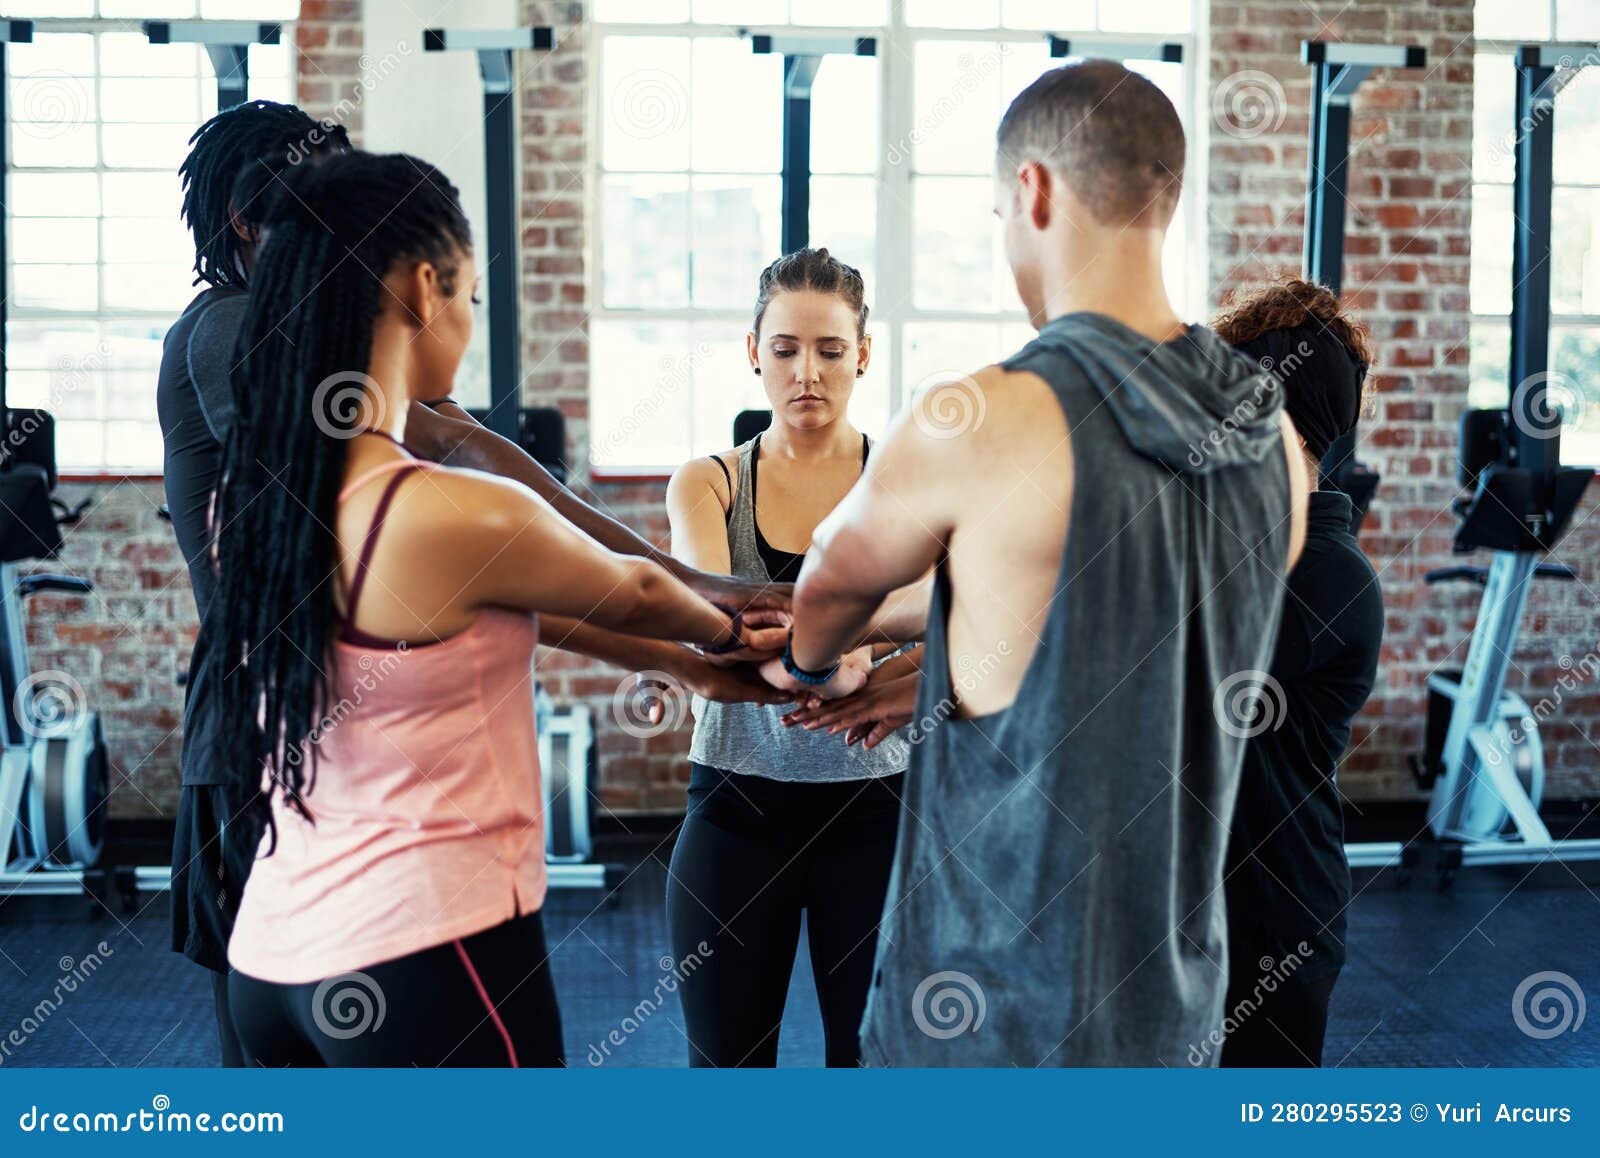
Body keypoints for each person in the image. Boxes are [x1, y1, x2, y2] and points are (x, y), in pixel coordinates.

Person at [157, 105, 786, 1065]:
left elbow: (488, 584)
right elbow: (615, 591)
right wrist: (727, 626)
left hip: (278, 958)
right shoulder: (423, 501)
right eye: (471, 299)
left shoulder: (268, 492)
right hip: (420, 943)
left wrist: (692, 651)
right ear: (416, 286)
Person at [779, 60, 1309, 1065]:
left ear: (1032, 192)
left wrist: (820, 667)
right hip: (1173, 1016)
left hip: (985, 1021)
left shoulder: (977, 415)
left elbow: (827, 586)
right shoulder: (1273, 440)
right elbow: (1121, 623)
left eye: (996, 216)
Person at [662, 248, 916, 1067]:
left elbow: (953, 615)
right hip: (739, 812)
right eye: (785, 349)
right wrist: (851, 649)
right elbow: (723, 630)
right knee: (728, 1079)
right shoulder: (707, 485)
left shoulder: (908, 480)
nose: (807, 372)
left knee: (873, 1072)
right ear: (753, 352)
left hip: (876, 812)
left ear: (864, 355)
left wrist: (809, 643)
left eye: (832, 350)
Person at [157, 100, 350, 1067]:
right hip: (257, 736)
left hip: (310, 727)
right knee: (278, 1058)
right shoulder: (232, 327)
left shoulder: (295, 330)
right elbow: (324, 505)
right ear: (247, 221)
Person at [1210, 279, 1384, 1067]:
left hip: (1273, 928)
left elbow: (1140, 666)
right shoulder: (1232, 552)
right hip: (1197, 913)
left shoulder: (1324, 575)